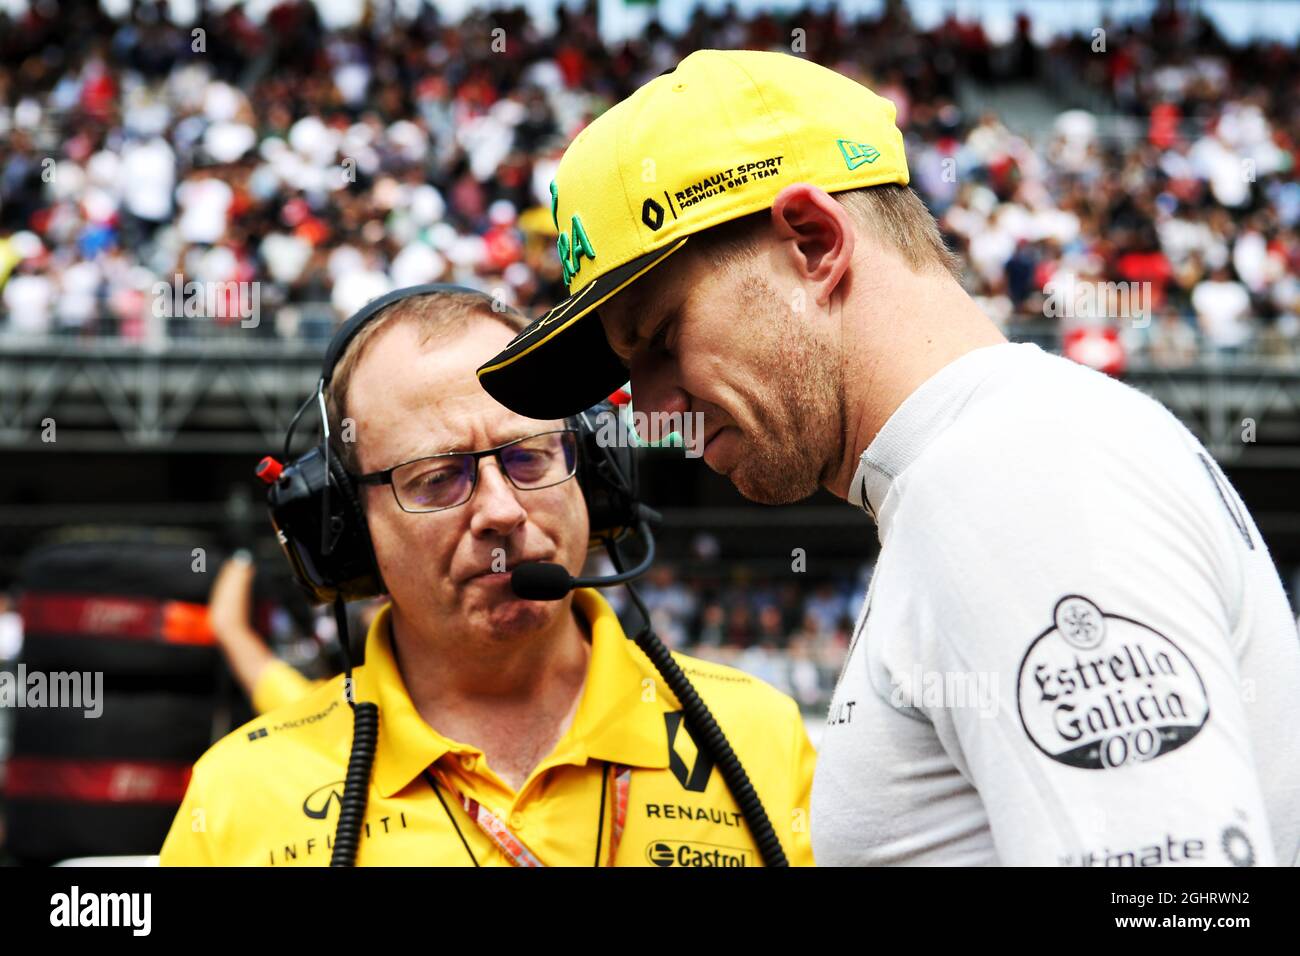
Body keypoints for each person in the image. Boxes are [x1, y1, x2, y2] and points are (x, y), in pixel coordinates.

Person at [476, 50, 1300, 866]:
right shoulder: (1001, 456)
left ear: (813, 241)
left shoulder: (1015, 475)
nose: (652, 410)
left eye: (661, 339)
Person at [160, 287, 816, 866]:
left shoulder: (759, 735)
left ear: (595, 476)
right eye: (438, 478)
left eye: (530, 457)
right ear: (352, 532)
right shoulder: (239, 796)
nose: (501, 511)